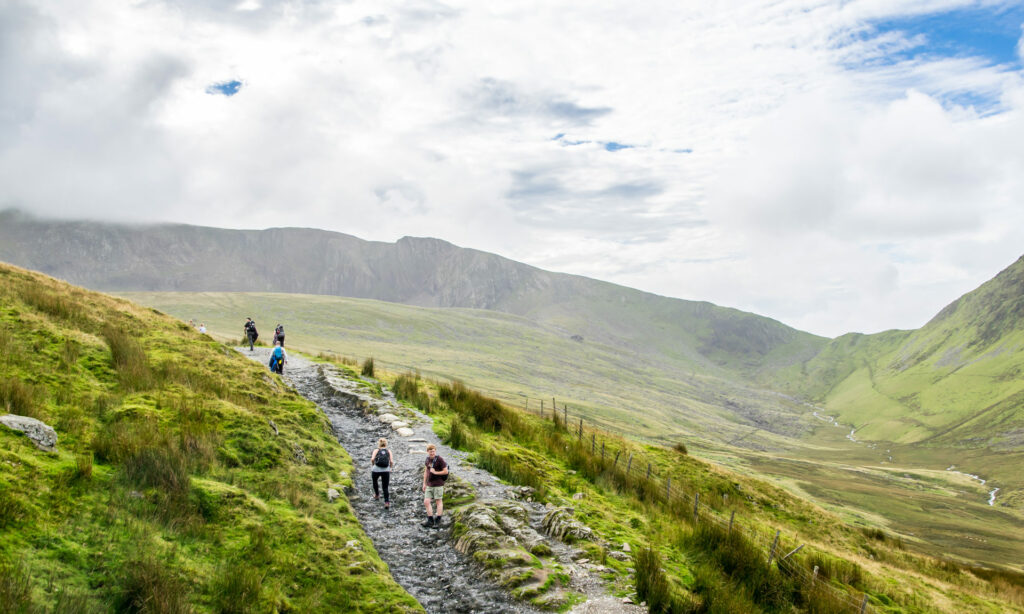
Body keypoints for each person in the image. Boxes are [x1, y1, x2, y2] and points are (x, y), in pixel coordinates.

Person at [422, 443, 448, 528]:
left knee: (438, 501)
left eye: (433, 451)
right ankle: (430, 520)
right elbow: (426, 471)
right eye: (430, 452)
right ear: (427, 452)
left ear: (435, 451)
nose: (432, 453)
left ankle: (438, 520)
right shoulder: (427, 460)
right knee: (426, 501)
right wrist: (424, 483)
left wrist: (435, 472)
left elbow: (445, 471)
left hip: (438, 484)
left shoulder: (440, 459)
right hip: (429, 484)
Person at [371, 438, 393, 509]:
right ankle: (386, 502)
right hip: (386, 470)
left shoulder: (376, 450)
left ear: (379, 444)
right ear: (386, 444)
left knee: (375, 482)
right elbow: (391, 461)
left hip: (376, 469)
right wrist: (390, 468)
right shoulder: (388, 451)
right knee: (385, 487)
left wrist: (373, 465)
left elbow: (372, 459)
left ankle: (377, 495)